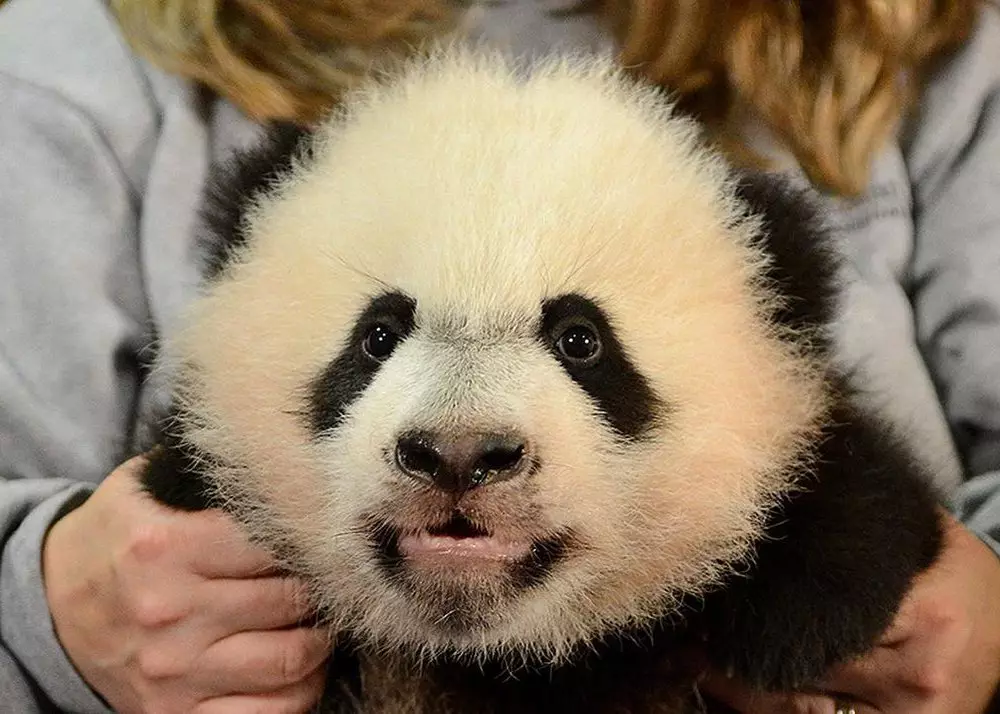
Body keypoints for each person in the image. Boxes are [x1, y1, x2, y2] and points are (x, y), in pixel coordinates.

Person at [0, 0, 998, 712]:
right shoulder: (70, 61)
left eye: (577, 344)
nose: (458, 429)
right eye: (380, 339)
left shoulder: (931, 41)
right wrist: (46, 599)